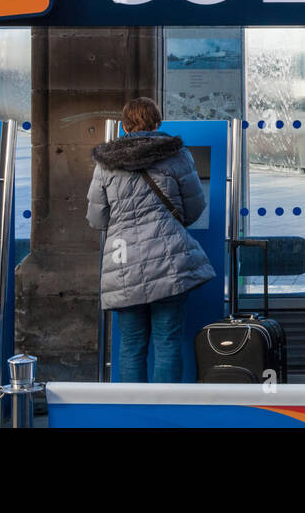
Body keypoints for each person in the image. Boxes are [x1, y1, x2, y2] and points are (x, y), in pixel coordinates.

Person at [87, 97, 215, 383]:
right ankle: (165, 412)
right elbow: (194, 208)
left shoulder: (105, 164)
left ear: (123, 126)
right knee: (168, 341)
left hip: (123, 264)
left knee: (131, 345)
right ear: (158, 123)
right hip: (168, 261)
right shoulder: (178, 155)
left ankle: (133, 414)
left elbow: (96, 219)